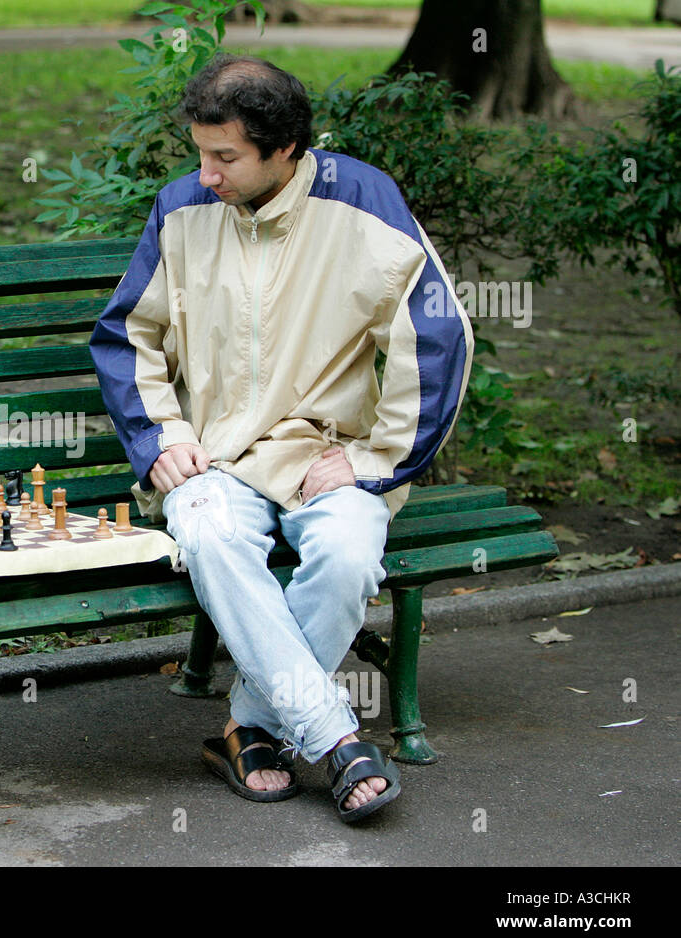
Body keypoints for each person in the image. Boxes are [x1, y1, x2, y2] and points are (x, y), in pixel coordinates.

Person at [90, 55, 473, 822]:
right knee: (208, 532)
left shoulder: (366, 202)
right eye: (199, 152)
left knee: (345, 554)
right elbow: (129, 335)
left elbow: (440, 339)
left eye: (224, 157)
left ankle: (249, 727)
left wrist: (376, 461)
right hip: (216, 458)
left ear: (287, 147)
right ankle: (335, 738)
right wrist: (161, 436)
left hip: (326, 459)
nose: (205, 175)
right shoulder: (179, 210)